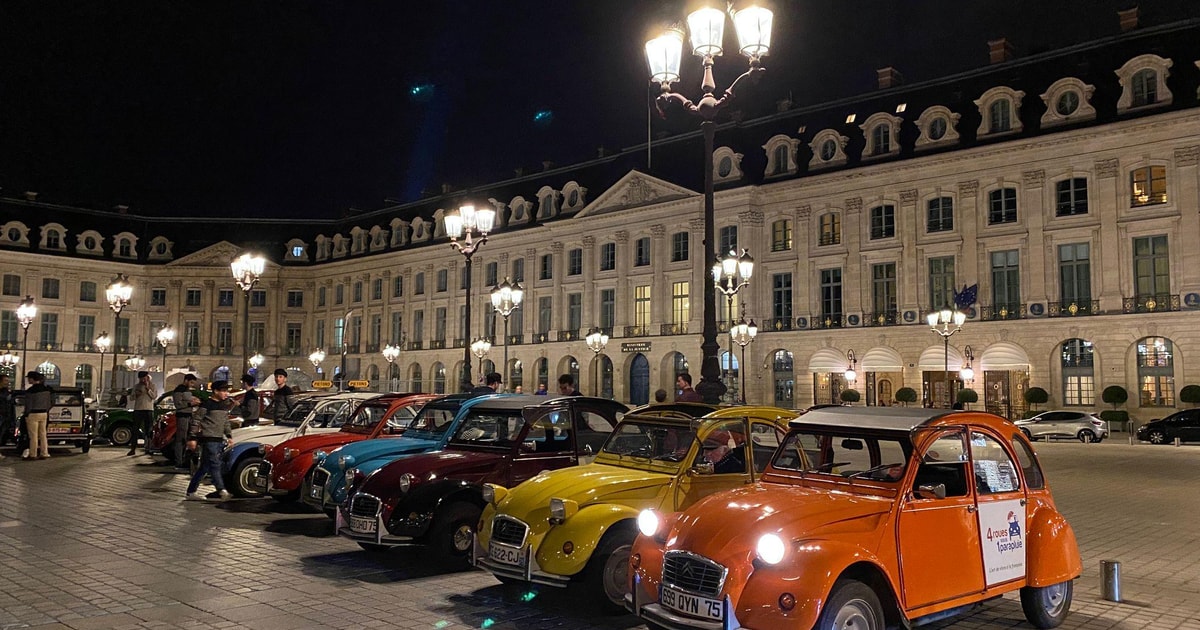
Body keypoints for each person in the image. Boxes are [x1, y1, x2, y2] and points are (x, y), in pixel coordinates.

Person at [185, 380, 235, 501]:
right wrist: (192, 437)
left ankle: (191, 491)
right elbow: (196, 421)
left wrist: (229, 436)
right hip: (208, 438)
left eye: (226, 391)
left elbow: (226, 422)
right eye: (223, 391)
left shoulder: (224, 406)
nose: (226, 394)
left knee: (205, 467)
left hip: (218, 438)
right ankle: (221, 490)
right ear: (215, 391)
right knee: (215, 463)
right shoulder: (206, 405)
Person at [171, 374, 200, 470]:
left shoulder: (187, 390)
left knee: (187, 438)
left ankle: (184, 459)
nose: (192, 385)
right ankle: (178, 461)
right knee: (181, 438)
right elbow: (178, 404)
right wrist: (190, 403)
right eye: (191, 382)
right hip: (182, 416)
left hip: (189, 415)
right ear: (186, 380)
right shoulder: (179, 390)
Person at [23, 371, 53, 460]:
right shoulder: (47, 390)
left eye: (29, 378)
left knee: (33, 435)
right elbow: (51, 402)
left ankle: (33, 454)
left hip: (33, 413)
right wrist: (47, 409)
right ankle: (44, 453)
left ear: (32, 379)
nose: (28, 380)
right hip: (44, 413)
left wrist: (26, 414)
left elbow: (28, 404)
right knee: (43, 434)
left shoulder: (30, 391)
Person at [129, 370, 157, 456]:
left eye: (144, 378)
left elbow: (154, 396)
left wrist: (148, 389)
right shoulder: (136, 386)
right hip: (138, 409)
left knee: (148, 430)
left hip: (148, 409)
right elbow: (131, 398)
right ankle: (133, 448)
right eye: (141, 379)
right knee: (135, 429)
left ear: (147, 377)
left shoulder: (153, 386)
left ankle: (148, 447)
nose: (143, 380)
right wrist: (136, 395)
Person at [0, 374, 14, 454]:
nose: (7, 382)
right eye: (5, 380)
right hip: (1, 414)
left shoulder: (6, 391)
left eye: (8, 381)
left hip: (6, 415)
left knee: (2, 432)